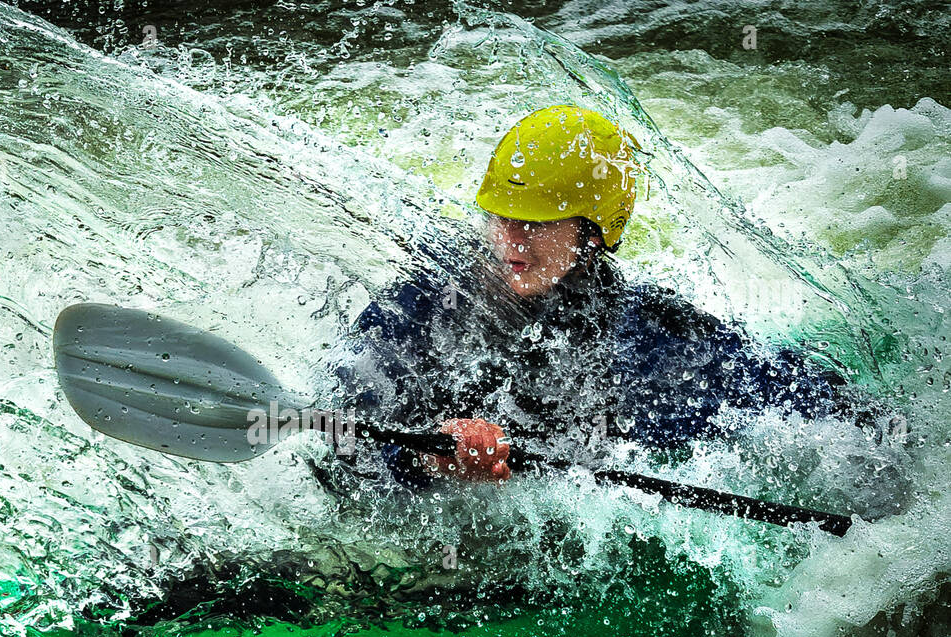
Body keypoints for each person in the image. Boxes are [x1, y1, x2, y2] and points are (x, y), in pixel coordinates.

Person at [326, 104, 876, 492]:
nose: (512, 240)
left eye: (538, 224)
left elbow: (807, 403)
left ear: (593, 232)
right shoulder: (420, 302)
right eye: (502, 217)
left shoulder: (650, 337)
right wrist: (427, 457)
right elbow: (339, 449)